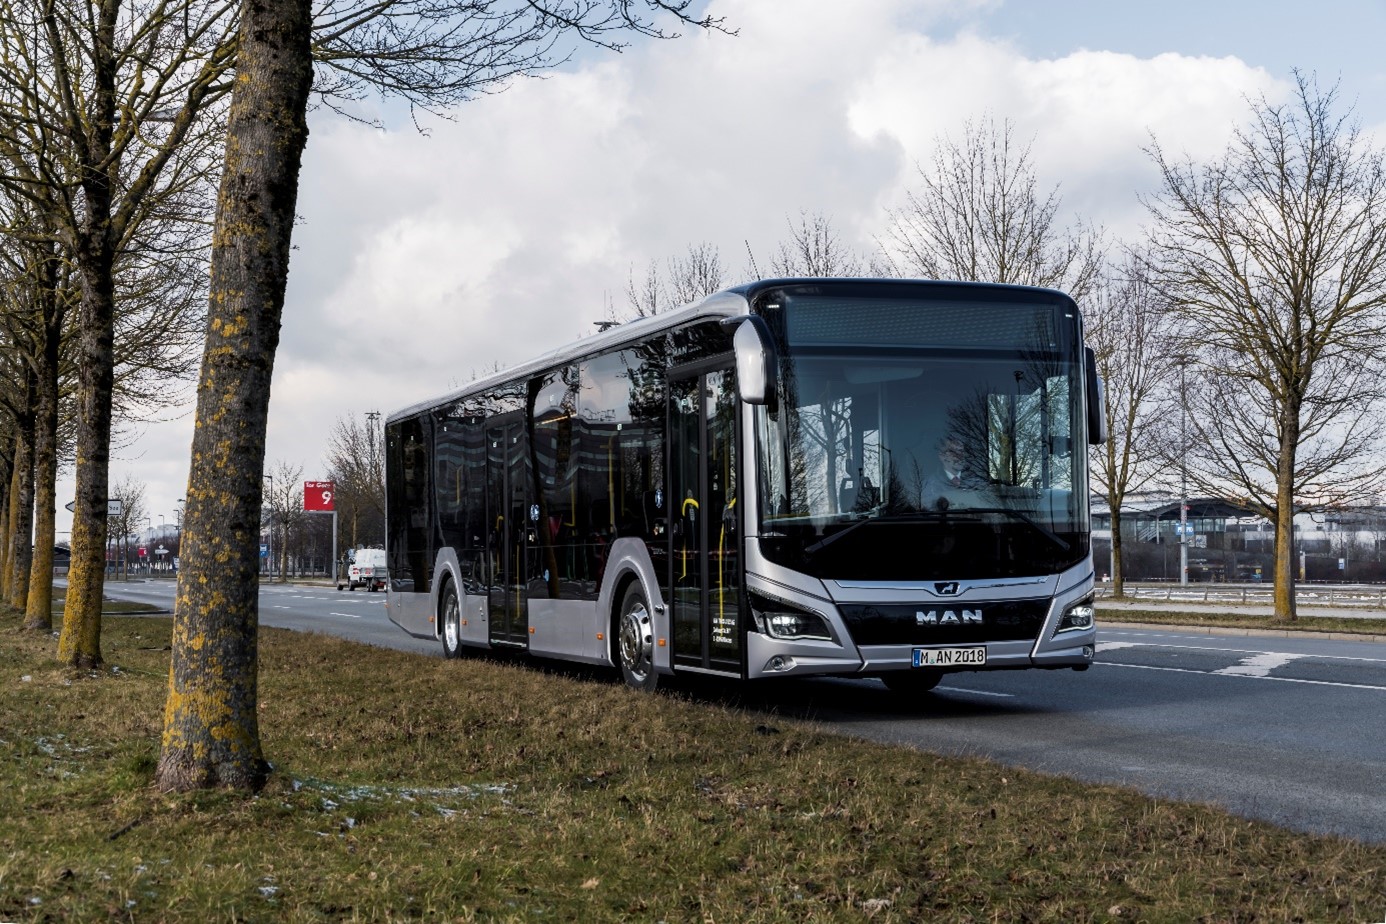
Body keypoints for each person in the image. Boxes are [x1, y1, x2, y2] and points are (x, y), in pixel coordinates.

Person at [920, 437, 984, 507]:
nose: (960, 456)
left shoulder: (977, 483)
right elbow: (928, 509)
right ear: (942, 456)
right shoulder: (929, 486)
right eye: (954, 452)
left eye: (961, 451)